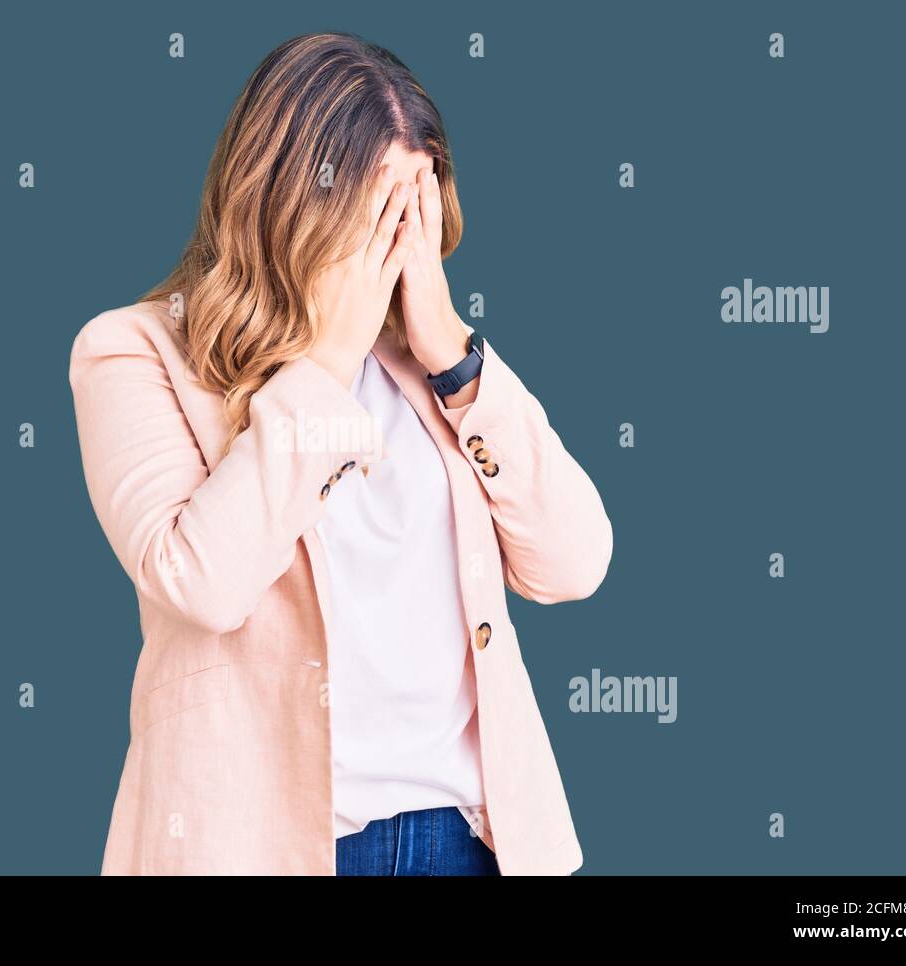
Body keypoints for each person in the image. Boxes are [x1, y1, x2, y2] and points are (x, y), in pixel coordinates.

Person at [69, 32, 613, 876]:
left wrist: (453, 356)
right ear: (283, 198)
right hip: (261, 850)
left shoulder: (429, 370)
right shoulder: (134, 354)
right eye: (373, 209)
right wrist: (324, 361)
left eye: (413, 211)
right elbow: (201, 583)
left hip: (461, 842)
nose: (395, 241)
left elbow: (575, 564)